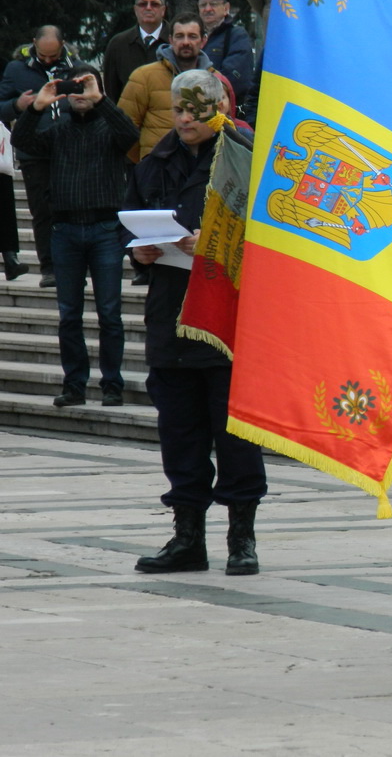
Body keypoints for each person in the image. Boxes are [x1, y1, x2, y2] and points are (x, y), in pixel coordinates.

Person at [127, 69, 267, 577]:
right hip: (170, 314)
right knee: (179, 434)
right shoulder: (155, 161)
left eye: (195, 109)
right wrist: (141, 253)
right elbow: (140, 219)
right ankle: (188, 538)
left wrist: (217, 240)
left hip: (226, 320)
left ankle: (241, 537)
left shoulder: (244, 157)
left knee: (235, 436)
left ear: (219, 110)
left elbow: (270, 238)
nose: (185, 118)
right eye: (179, 109)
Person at [10, 66, 138, 408]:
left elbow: (130, 136)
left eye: (87, 86)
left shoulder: (110, 128)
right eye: (75, 87)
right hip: (65, 231)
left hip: (105, 230)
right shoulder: (59, 130)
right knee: (69, 314)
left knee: (110, 312)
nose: (80, 93)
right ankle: (75, 384)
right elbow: (22, 141)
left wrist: (102, 99)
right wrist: (37, 106)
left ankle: (112, 384)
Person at [0, 25, 81, 288]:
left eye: (53, 55)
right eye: (42, 55)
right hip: (33, 150)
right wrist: (16, 106)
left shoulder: (77, 67)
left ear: (63, 46)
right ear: (33, 43)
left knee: (69, 208)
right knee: (42, 211)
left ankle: (72, 264)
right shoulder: (16, 70)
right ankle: (49, 267)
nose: (47, 60)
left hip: (69, 148)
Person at [118, 13, 215, 160]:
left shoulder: (215, 81)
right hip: (156, 171)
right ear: (170, 40)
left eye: (192, 36)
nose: (186, 42)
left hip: (202, 170)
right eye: (180, 36)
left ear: (203, 41)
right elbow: (124, 128)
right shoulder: (144, 77)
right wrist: (146, 163)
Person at [103, 0, 170, 101]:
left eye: (154, 4)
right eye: (143, 4)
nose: (148, 8)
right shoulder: (118, 44)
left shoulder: (177, 41)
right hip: (128, 117)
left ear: (163, 10)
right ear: (135, 9)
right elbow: (112, 92)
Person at [196, 0, 252, 104]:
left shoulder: (236, 36)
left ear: (226, 8)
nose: (207, 9)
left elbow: (234, 78)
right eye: (203, 5)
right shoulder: (192, 37)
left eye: (213, 4)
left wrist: (200, 94)